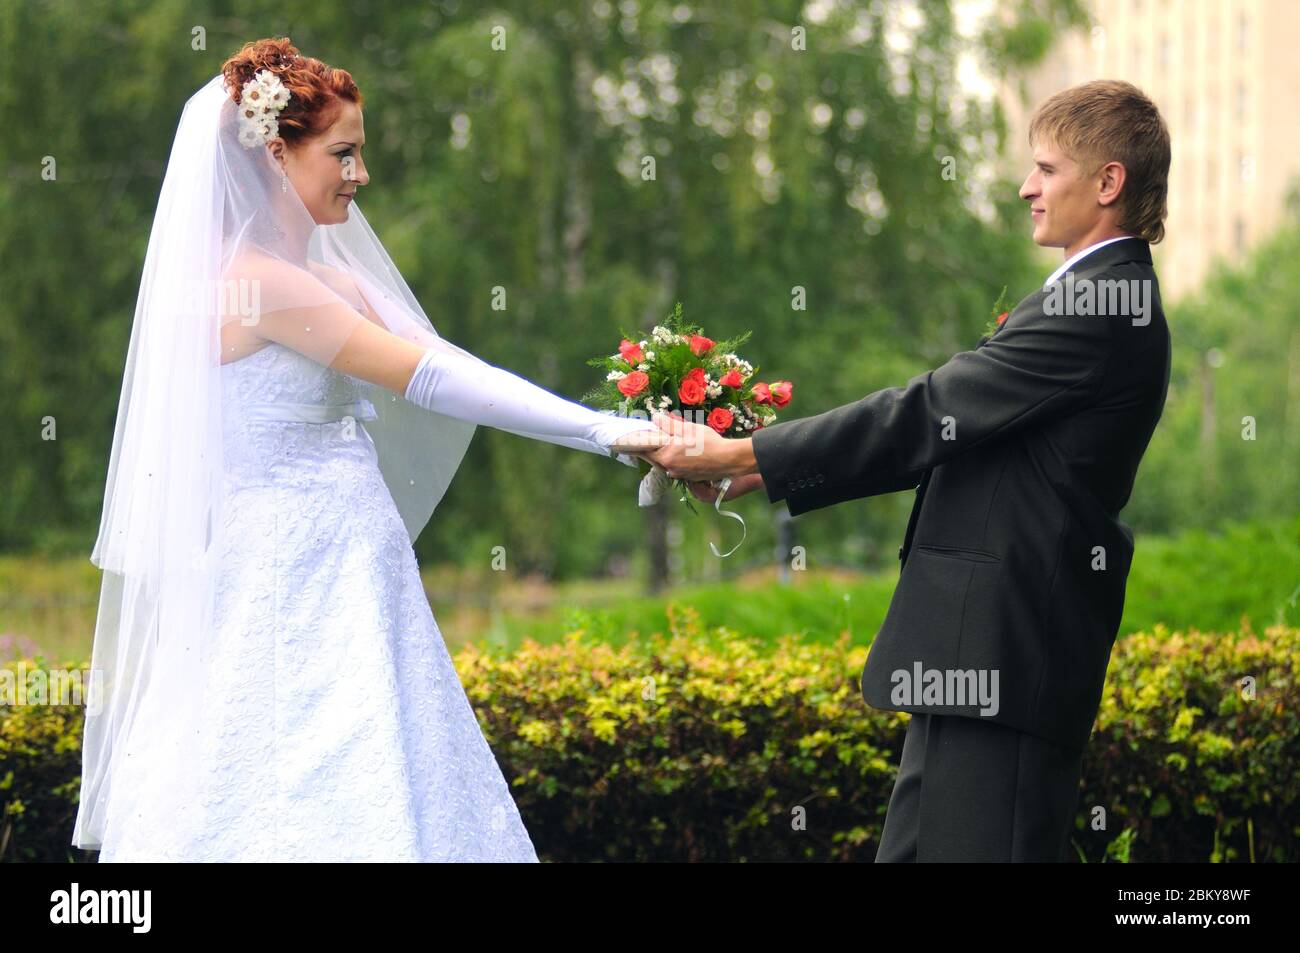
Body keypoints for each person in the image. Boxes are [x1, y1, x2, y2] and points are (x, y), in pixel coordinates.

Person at [73, 37, 664, 862]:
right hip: (296, 569)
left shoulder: (323, 278)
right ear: (277, 152)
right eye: (344, 154)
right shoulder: (260, 284)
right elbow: (429, 381)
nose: (361, 175)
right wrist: (606, 432)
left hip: (353, 560)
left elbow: (458, 366)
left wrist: (616, 420)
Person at [640, 79, 1172, 862]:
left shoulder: (1103, 304)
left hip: (1005, 661)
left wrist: (745, 456)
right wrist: (763, 467)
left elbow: (929, 412)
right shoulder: (1092, 296)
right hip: (978, 658)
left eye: (1046, 169)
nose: (1026, 186)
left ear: (1108, 183)